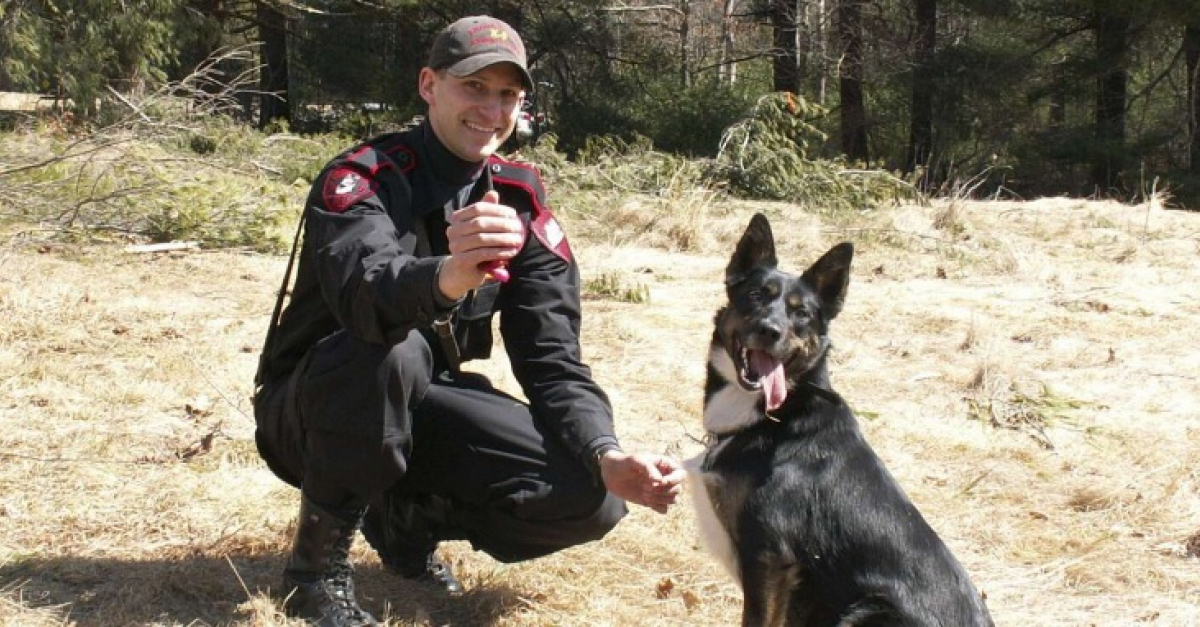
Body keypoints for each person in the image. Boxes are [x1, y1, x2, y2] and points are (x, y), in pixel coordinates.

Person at [252, 15, 686, 627]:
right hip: (313, 410)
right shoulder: (364, 178)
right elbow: (365, 300)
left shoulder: (520, 204)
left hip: (417, 405)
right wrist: (450, 276)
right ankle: (314, 576)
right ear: (429, 85)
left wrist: (605, 452)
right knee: (394, 349)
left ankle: (405, 523)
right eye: (474, 87)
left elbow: (553, 361)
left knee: (592, 497)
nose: (492, 109)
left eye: (508, 93)